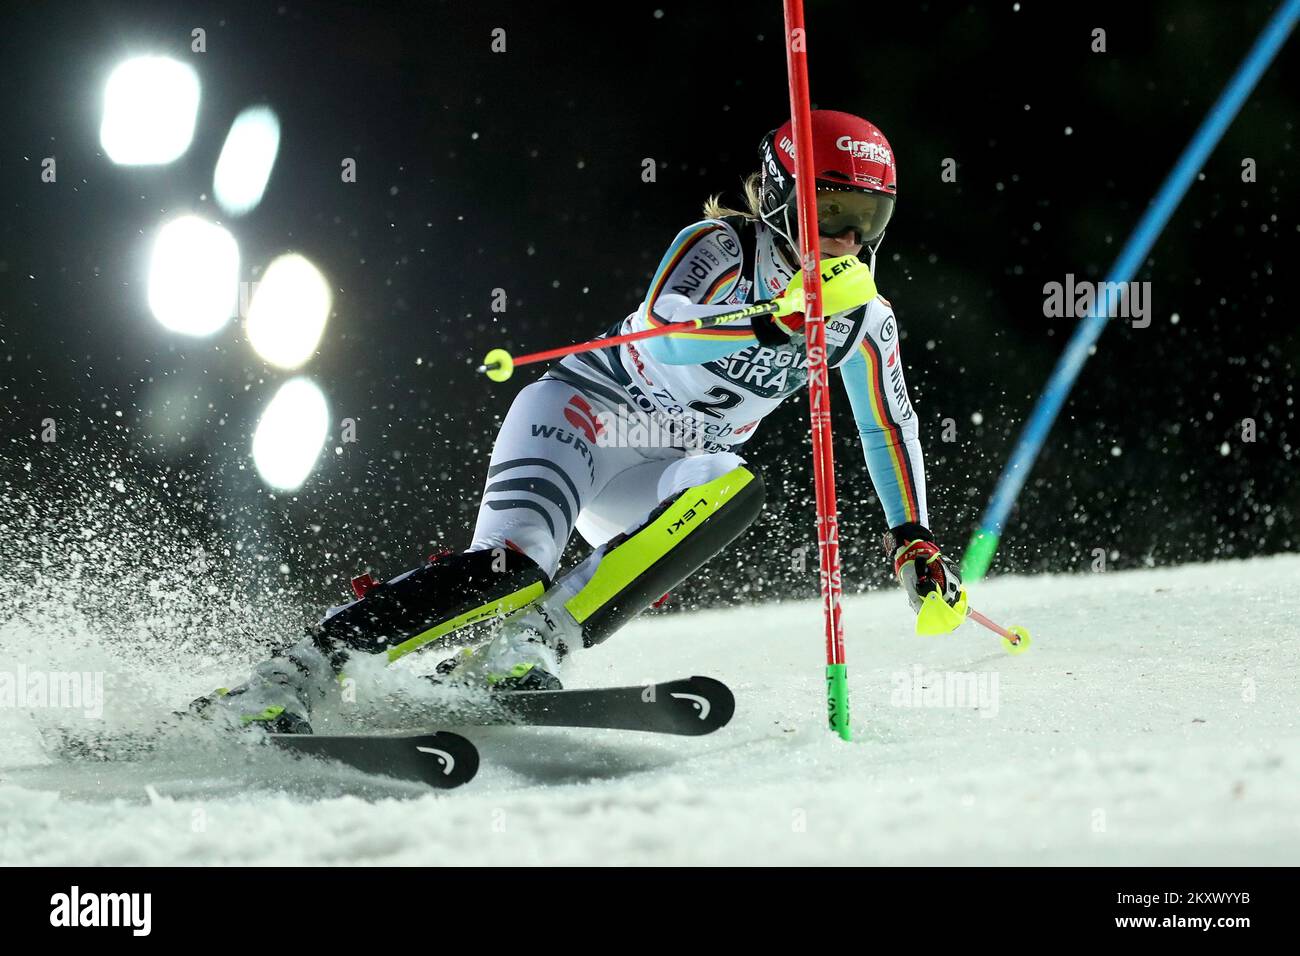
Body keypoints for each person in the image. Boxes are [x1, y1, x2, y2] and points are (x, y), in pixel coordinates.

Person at [198, 110, 963, 734]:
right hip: (585, 416)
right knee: (512, 569)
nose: (849, 238)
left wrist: (913, 539)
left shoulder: (866, 319)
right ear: (782, 195)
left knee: (732, 486)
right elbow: (666, 329)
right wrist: (774, 320)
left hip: (663, 468)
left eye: (868, 217)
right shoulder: (722, 247)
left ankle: (527, 647)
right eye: (833, 211)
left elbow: (887, 426)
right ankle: (289, 676)